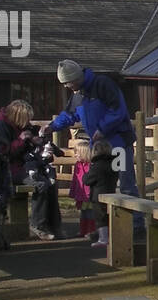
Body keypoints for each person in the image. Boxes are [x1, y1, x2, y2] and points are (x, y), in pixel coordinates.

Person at [42, 61, 136, 198]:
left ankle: (136, 220)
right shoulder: (78, 95)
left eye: (67, 82)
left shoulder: (103, 85)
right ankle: (104, 218)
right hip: (99, 149)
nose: (65, 86)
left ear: (76, 78)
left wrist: (102, 129)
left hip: (118, 144)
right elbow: (69, 115)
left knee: (125, 187)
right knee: (101, 186)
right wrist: (52, 126)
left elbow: (117, 111)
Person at [0, 99, 63, 240]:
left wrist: (35, 139)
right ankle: (38, 224)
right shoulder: (0, 127)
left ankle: (54, 225)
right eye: (26, 118)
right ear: (18, 117)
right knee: (41, 184)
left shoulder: (21, 125)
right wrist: (21, 140)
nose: (28, 122)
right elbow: (0, 152)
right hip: (9, 169)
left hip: (26, 166)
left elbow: (30, 137)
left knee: (52, 184)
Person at [83, 135, 118, 248]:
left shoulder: (97, 165)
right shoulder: (113, 164)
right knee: (108, 217)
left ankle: (103, 239)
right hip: (110, 192)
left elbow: (87, 180)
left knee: (100, 218)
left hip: (98, 195)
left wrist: (85, 175)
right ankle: (109, 236)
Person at [69, 139, 99, 241]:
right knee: (83, 213)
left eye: (77, 153)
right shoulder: (77, 165)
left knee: (91, 213)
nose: (75, 155)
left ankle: (91, 231)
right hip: (81, 194)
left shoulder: (92, 166)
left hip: (90, 194)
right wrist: (72, 191)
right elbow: (75, 179)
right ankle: (83, 230)